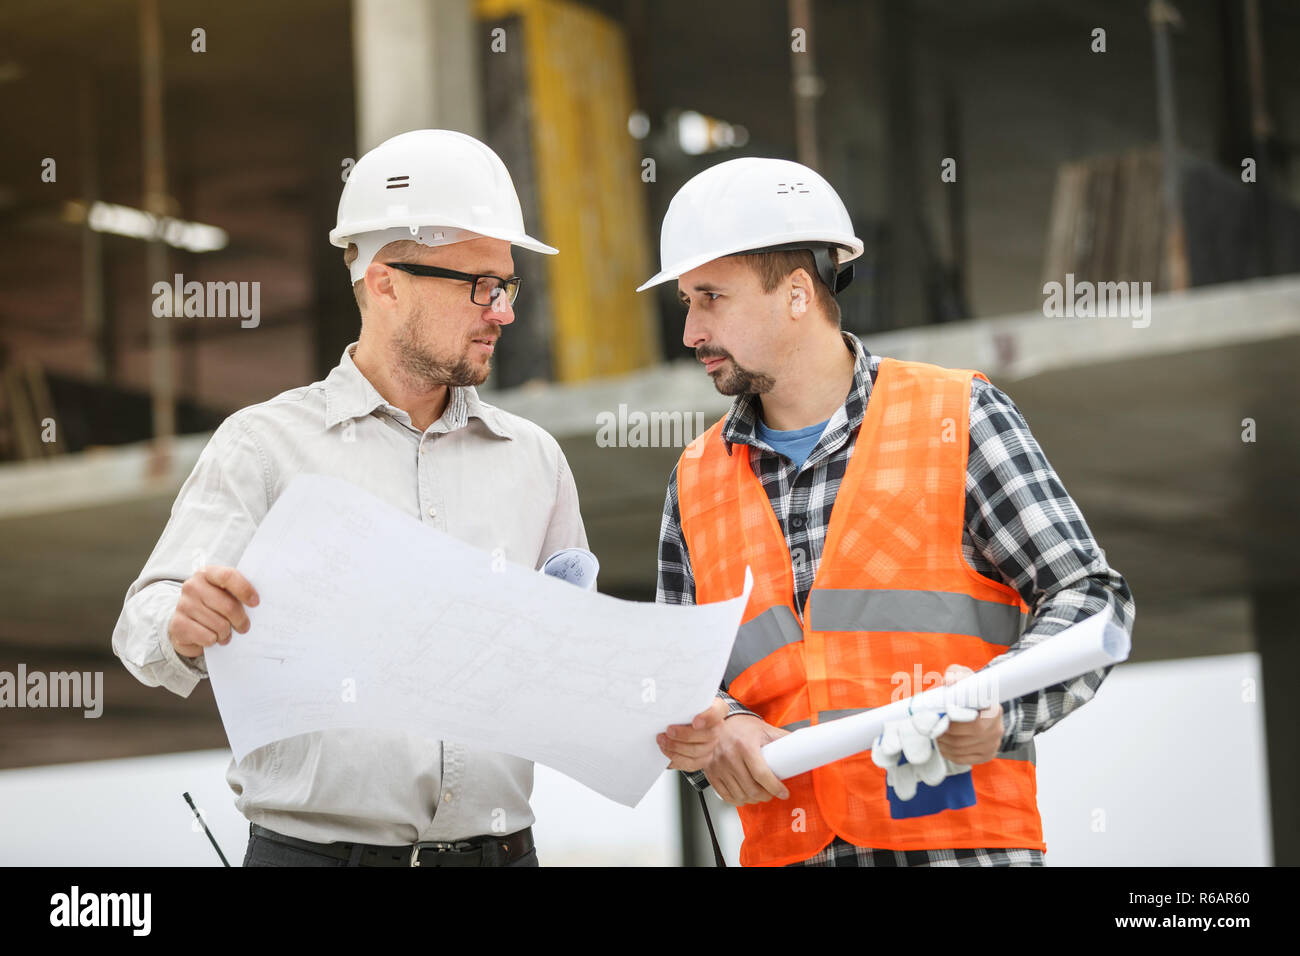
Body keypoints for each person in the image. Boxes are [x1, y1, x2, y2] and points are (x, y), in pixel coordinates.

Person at [111, 129, 724, 867]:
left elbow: (568, 665)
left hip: (500, 852)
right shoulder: (263, 446)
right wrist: (182, 623)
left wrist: (658, 709)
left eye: (506, 285)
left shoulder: (534, 461)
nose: (502, 311)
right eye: (478, 285)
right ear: (385, 282)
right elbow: (140, 627)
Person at [646, 157, 1136, 867]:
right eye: (686, 301)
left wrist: (1000, 711)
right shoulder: (693, 480)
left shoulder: (958, 416)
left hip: (959, 852)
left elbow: (1091, 600)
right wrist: (722, 730)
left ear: (794, 294)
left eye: (711, 298)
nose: (690, 331)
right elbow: (673, 684)